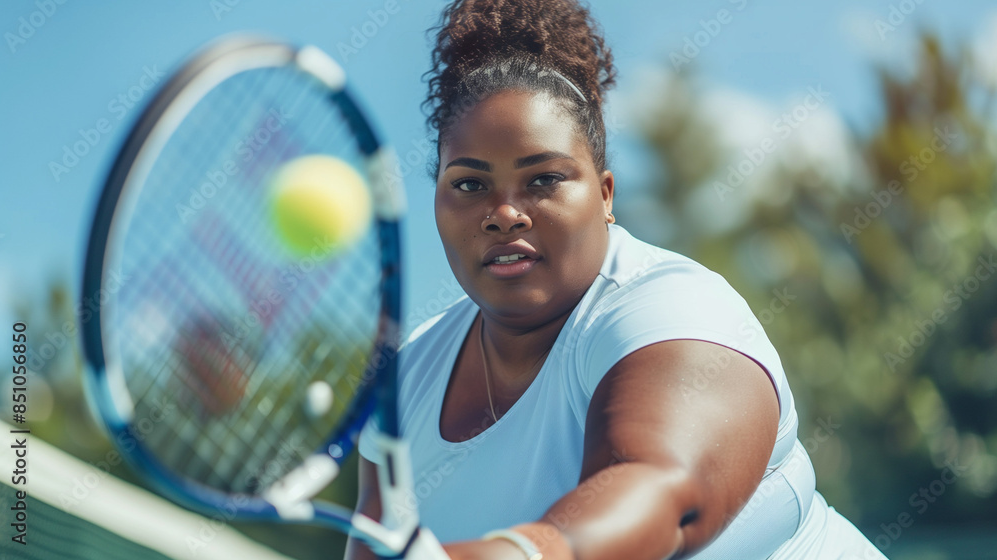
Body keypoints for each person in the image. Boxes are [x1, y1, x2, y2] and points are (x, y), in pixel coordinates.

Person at [346, 0, 887, 558]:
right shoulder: (406, 380)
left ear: (605, 195)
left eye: (544, 178)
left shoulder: (675, 310)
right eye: (467, 185)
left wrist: (523, 553)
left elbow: (656, 490)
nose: (504, 213)